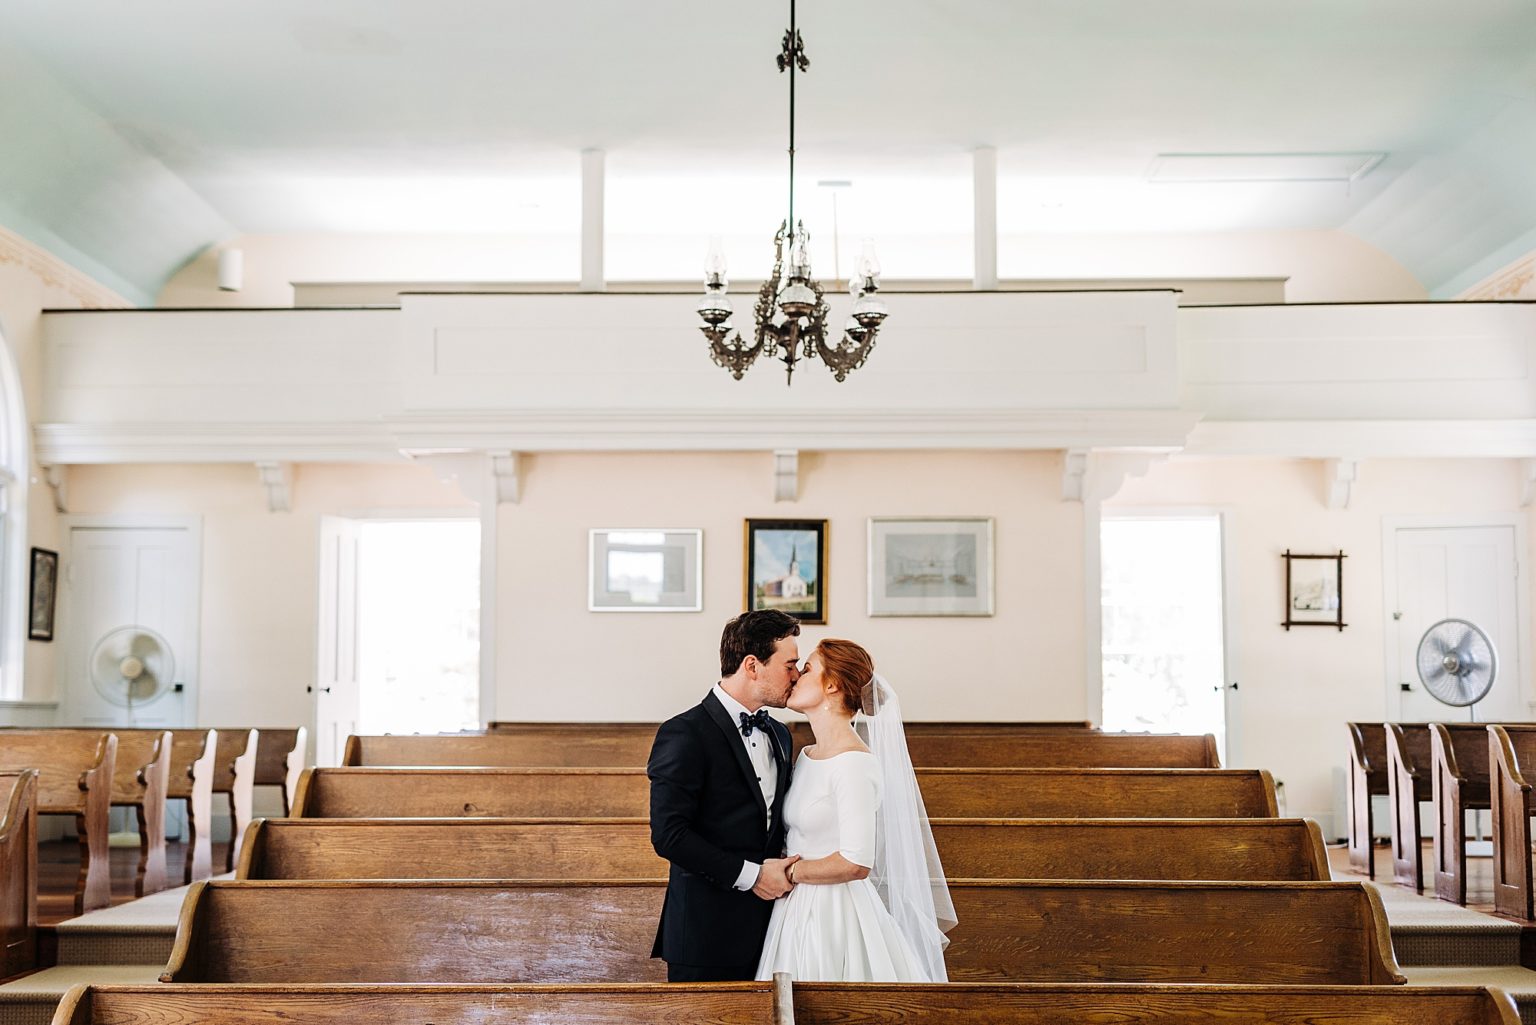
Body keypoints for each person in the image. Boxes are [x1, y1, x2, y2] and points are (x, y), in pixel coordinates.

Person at [755, 638, 956, 982]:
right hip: (794, 909)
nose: (795, 677)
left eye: (806, 670)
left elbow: (855, 862)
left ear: (831, 685)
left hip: (835, 913)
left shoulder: (853, 764)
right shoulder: (806, 756)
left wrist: (786, 874)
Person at [648, 608, 804, 982]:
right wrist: (752, 876)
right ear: (752, 665)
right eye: (790, 665)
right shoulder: (684, 733)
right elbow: (669, 836)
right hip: (706, 936)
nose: (797, 675)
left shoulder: (780, 735)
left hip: (775, 933)